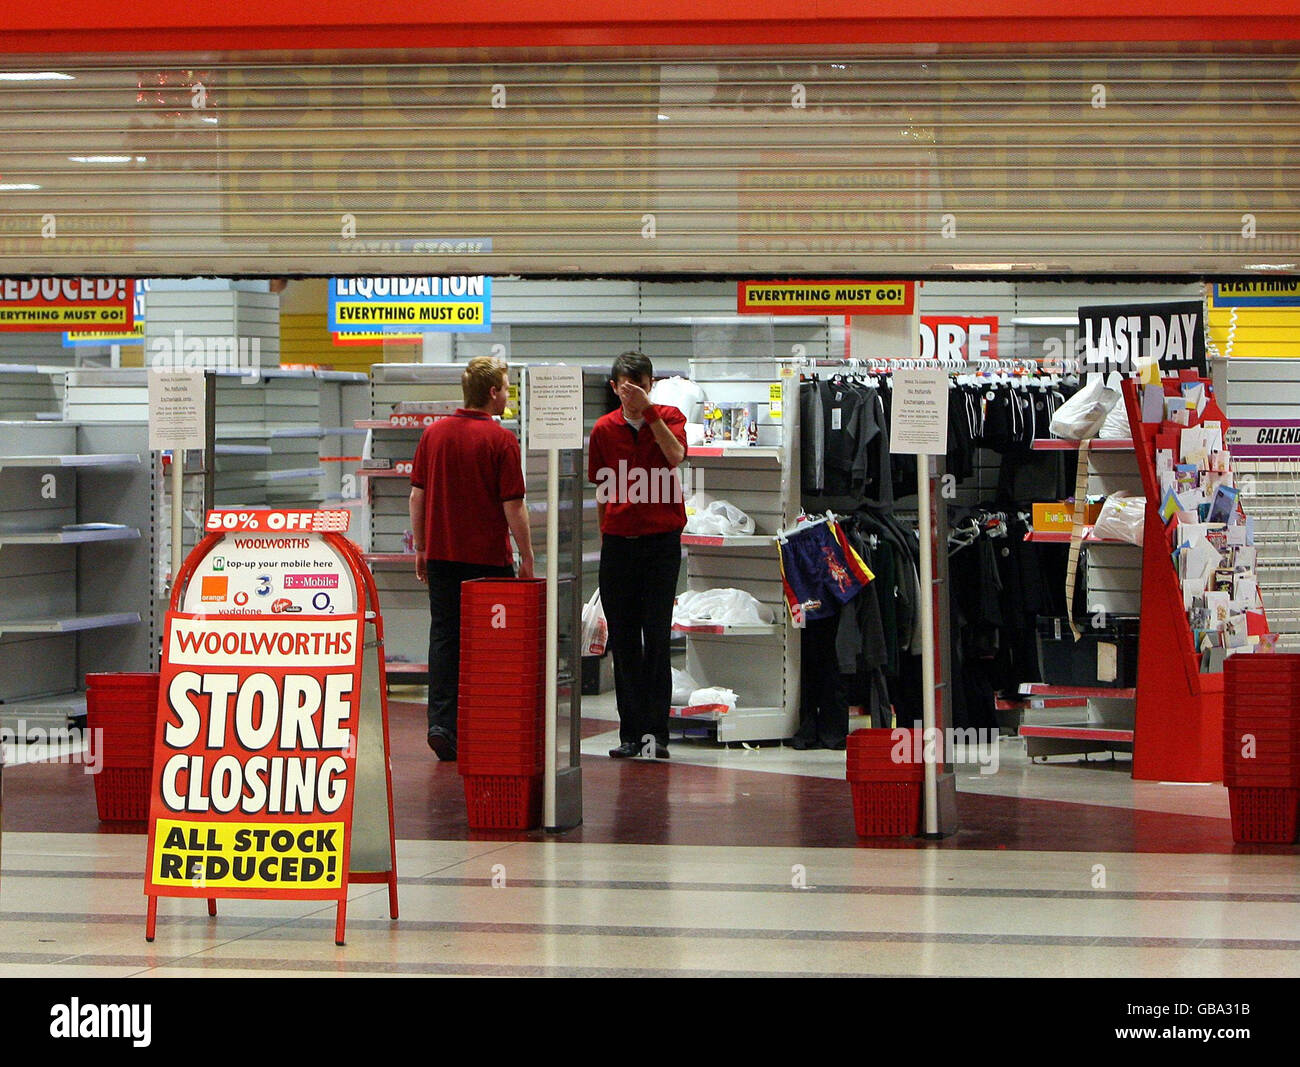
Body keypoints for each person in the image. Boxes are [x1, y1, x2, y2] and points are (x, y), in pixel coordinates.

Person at [409, 356, 534, 761]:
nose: (509, 392)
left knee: (444, 638)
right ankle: (482, 723)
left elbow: (418, 495)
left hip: (443, 556)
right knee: (489, 646)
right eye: (507, 386)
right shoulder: (501, 441)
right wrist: (527, 555)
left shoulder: (435, 435)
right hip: (487, 562)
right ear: (493, 392)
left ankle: (442, 724)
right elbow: (513, 506)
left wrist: (423, 548)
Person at [587, 351, 688, 760]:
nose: (632, 396)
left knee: (657, 637)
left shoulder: (671, 416)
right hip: (618, 543)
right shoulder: (603, 429)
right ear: (614, 389)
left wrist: (650, 414)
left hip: (661, 543)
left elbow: (676, 456)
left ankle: (656, 735)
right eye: (625, 389)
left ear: (650, 385)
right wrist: (607, 530)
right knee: (625, 640)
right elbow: (599, 488)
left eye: (640, 387)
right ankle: (630, 732)